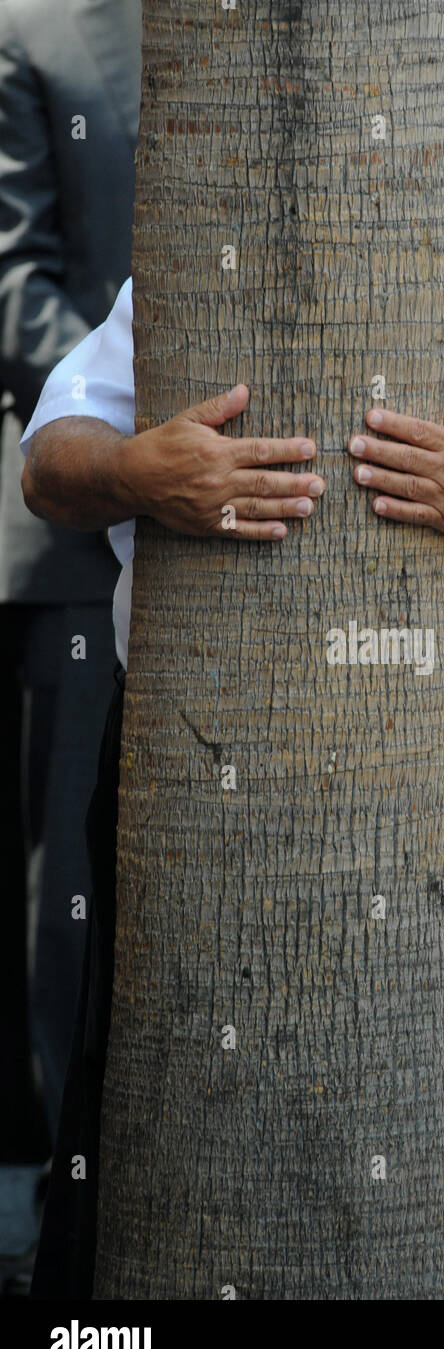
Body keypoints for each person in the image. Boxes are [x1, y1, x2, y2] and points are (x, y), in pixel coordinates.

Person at [20, 42, 444, 1296]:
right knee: (129, 1143)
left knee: (428, 1147)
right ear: (390, 152)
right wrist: (143, 472)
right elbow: (52, 461)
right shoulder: (236, 263)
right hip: (193, 797)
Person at [0, 1, 141, 1180]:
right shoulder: (29, 30)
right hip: (77, 540)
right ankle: (62, 1190)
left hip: (269, 518)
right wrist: (131, 449)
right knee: (74, 890)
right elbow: (15, 286)